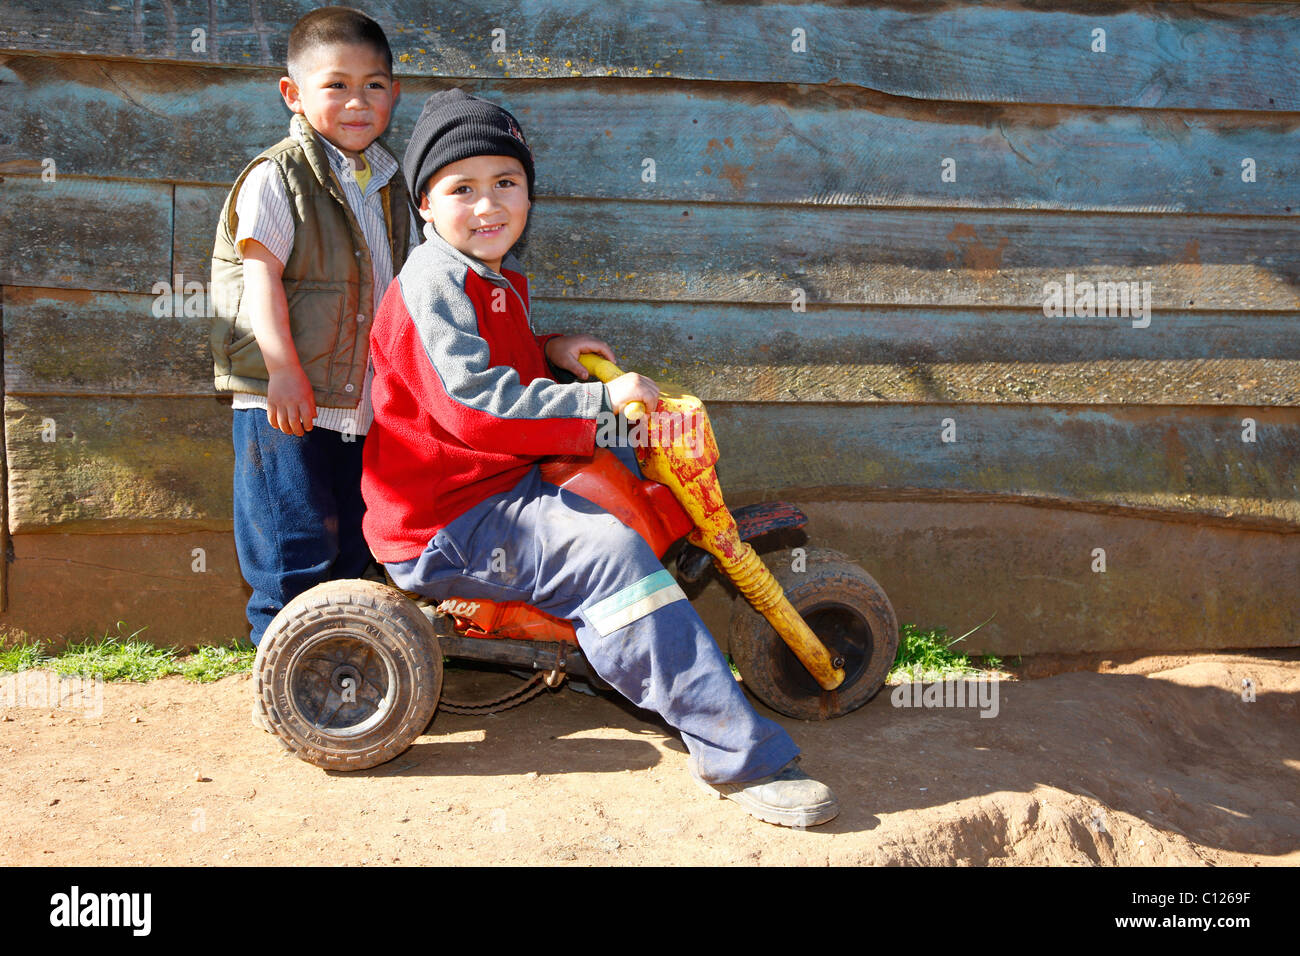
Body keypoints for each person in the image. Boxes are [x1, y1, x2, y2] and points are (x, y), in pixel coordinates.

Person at [360, 89, 839, 828]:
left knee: (618, 494)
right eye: (462, 189)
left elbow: (495, 367)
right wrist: (597, 406)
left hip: (493, 491)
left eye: (506, 183)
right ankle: (743, 760)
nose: (487, 206)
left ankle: (601, 653)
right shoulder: (434, 281)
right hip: (449, 521)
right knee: (612, 556)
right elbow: (473, 404)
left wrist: (548, 347)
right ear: (425, 203)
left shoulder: (485, 275)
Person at [209, 7, 417, 649]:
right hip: (287, 401)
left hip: (358, 403)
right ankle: (283, 675)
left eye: (374, 85)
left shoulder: (389, 182)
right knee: (291, 546)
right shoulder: (279, 176)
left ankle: (343, 672)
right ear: (293, 95)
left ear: (394, 93)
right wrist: (283, 371)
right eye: (336, 85)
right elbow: (259, 281)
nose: (358, 101)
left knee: (354, 541)